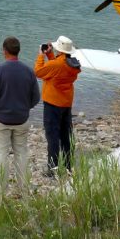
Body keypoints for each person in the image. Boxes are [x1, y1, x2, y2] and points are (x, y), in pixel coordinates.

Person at [0, 37, 40, 193]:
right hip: (22, 119)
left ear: (4, 51)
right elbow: (36, 97)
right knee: (21, 152)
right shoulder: (28, 71)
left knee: (1, 154)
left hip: (1, 119)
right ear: (18, 51)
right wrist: (25, 108)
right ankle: (24, 189)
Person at [35, 35, 82, 176]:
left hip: (52, 104)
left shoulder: (57, 64)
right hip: (66, 105)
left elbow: (38, 72)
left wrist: (40, 56)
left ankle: (53, 168)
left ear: (59, 50)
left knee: (52, 136)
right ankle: (68, 167)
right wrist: (49, 54)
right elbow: (55, 69)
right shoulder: (72, 64)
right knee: (66, 136)